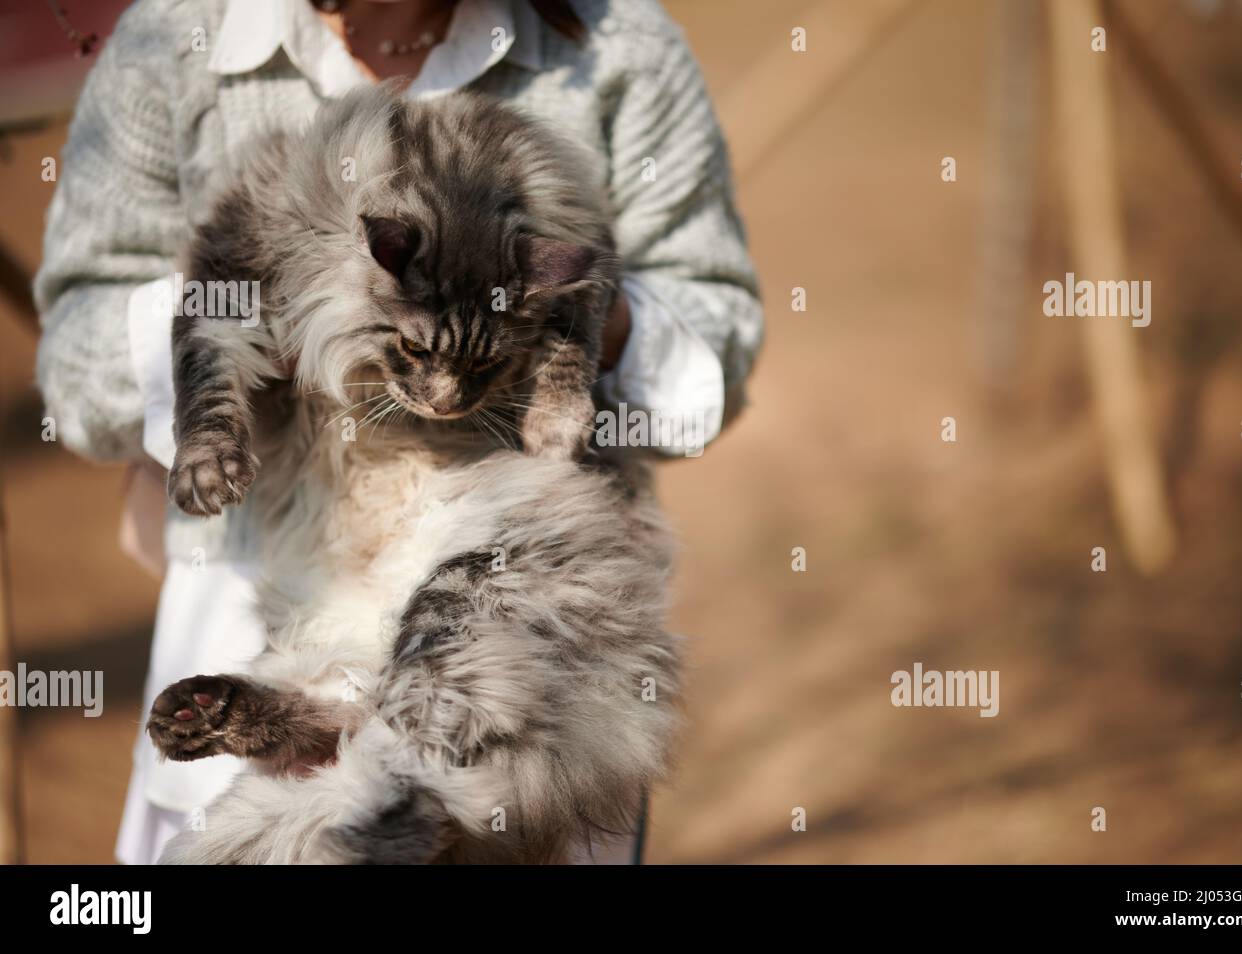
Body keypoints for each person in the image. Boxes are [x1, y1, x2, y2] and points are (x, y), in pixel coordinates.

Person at [34, 0, 762, 864]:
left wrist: (570, 336)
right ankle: (320, 739)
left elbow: (719, 333)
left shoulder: (619, 46)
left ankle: (388, 792)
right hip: (269, 576)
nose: (444, 401)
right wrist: (271, 341)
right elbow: (75, 361)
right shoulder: (172, 36)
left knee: (448, 743)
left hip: (516, 600)